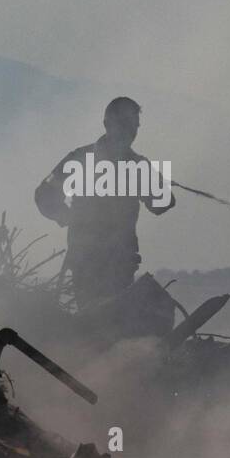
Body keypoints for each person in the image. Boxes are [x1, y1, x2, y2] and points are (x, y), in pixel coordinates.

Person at [35, 97, 175, 307]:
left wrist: (156, 182)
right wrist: (67, 217)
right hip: (86, 260)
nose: (131, 132)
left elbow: (162, 204)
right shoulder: (80, 159)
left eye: (134, 126)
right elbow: (44, 194)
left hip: (121, 262)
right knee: (94, 322)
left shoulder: (138, 165)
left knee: (116, 323)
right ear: (108, 124)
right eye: (125, 125)